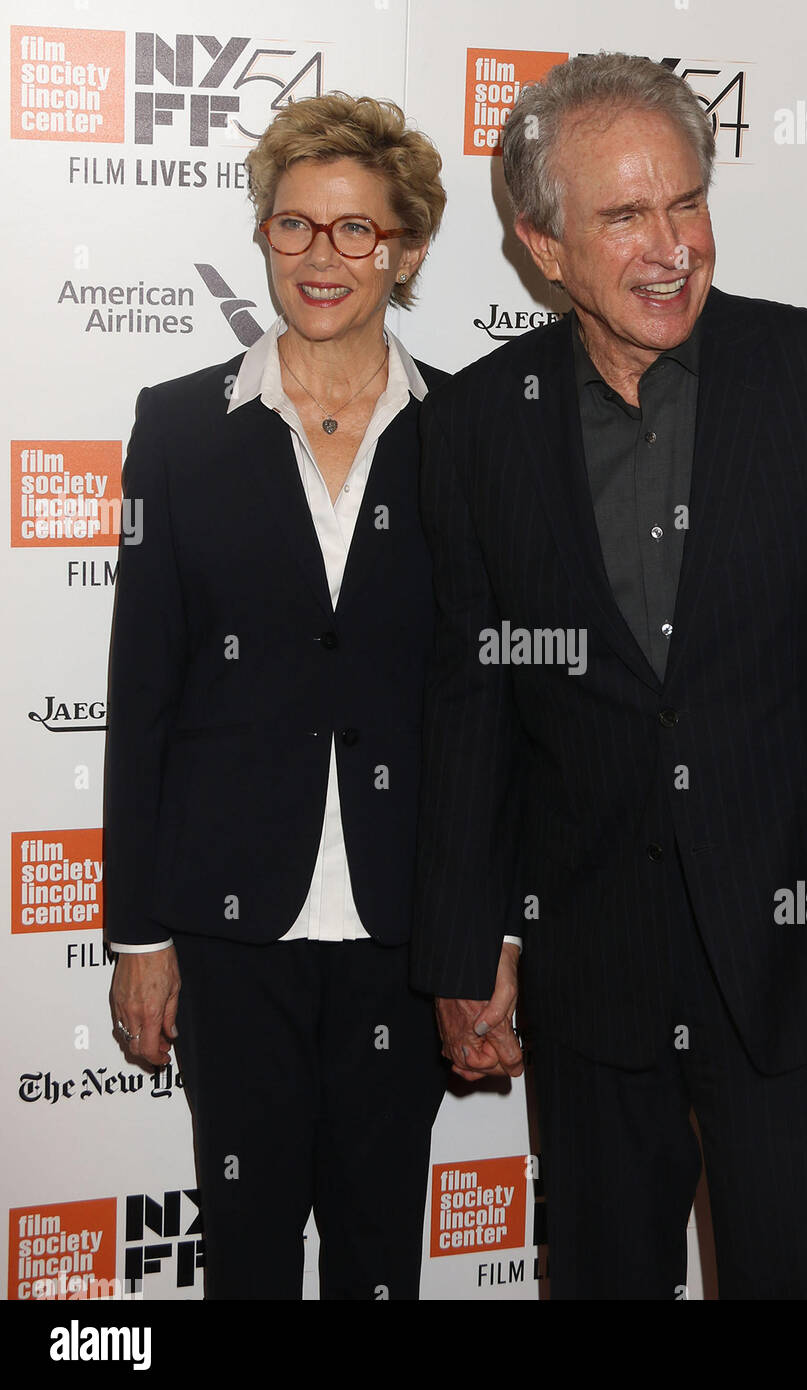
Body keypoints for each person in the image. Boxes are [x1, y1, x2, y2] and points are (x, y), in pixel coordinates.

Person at [411, 53, 807, 1299]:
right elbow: (470, 706)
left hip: (804, 975)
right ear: (542, 247)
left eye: (686, 204)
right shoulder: (475, 426)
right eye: (622, 216)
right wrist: (466, 942)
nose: (670, 249)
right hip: (591, 976)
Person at [104, 93, 449, 1300]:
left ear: (404, 247)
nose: (322, 257)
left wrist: (492, 930)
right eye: (295, 226)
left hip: (405, 932)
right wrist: (140, 933)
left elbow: (489, 711)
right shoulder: (181, 427)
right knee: (245, 1254)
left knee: (376, 1255)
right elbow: (141, 693)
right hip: (229, 921)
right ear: (261, 233)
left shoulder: (466, 434)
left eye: (357, 231)